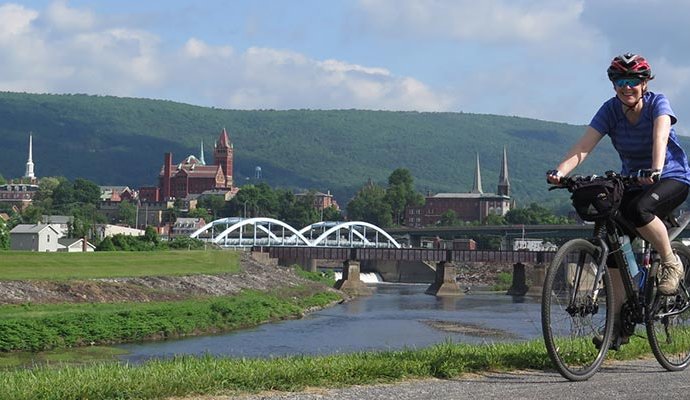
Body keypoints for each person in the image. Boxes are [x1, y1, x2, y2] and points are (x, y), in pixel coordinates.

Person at [547, 53, 690, 297]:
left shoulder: (658, 103)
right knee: (613, 236)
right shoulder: (610, 110)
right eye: (620, 82)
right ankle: (618, 324)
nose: (627, 88)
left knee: (639, 210)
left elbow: (660, 137)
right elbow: (584, 146)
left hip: (671, 177)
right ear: (613, 85)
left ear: (644, 83)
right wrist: (560, 172)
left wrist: (655, 169)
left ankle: (670, 262)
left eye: (633, 81)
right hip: (633, 179)